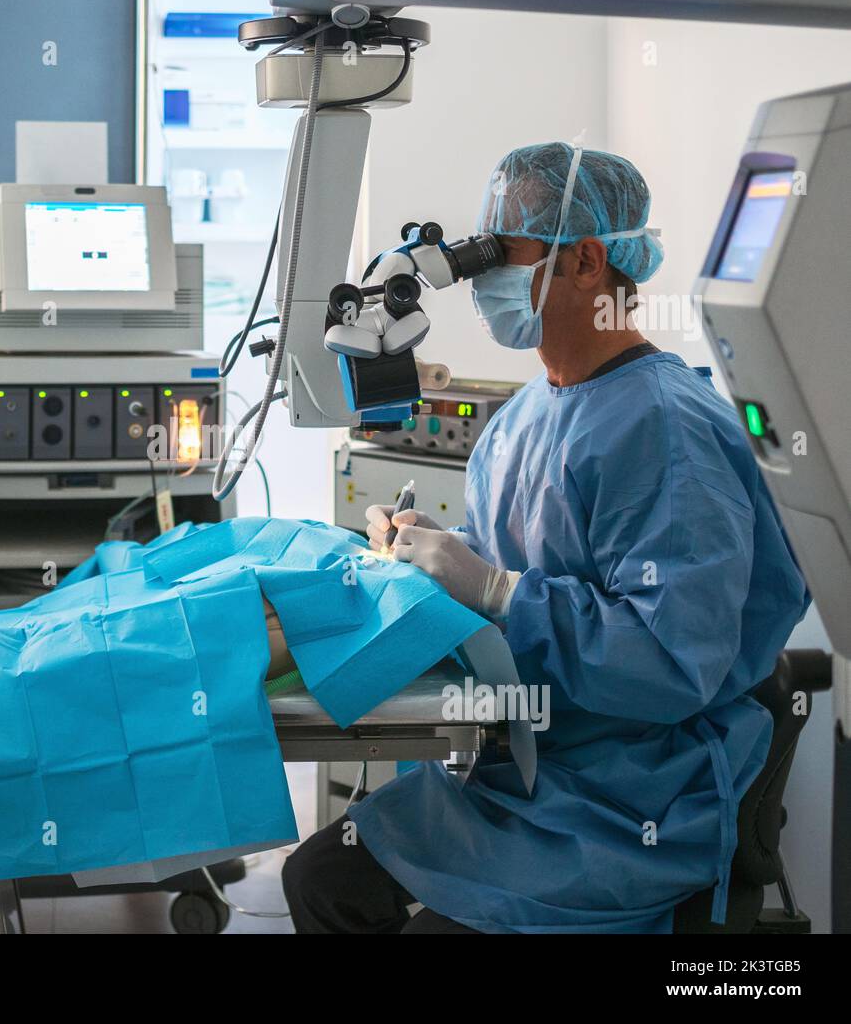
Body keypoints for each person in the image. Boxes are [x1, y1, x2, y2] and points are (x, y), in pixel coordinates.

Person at [281, 141, 811, 934]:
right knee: (321, 874)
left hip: (632, 797)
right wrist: (432, 553)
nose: (485, 280)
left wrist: (494, 590)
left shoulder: (666, 429)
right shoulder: (524, 417)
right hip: (535, 767)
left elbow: (672, 660)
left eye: (505, 256)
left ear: (589, 262)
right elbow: (517, 553)